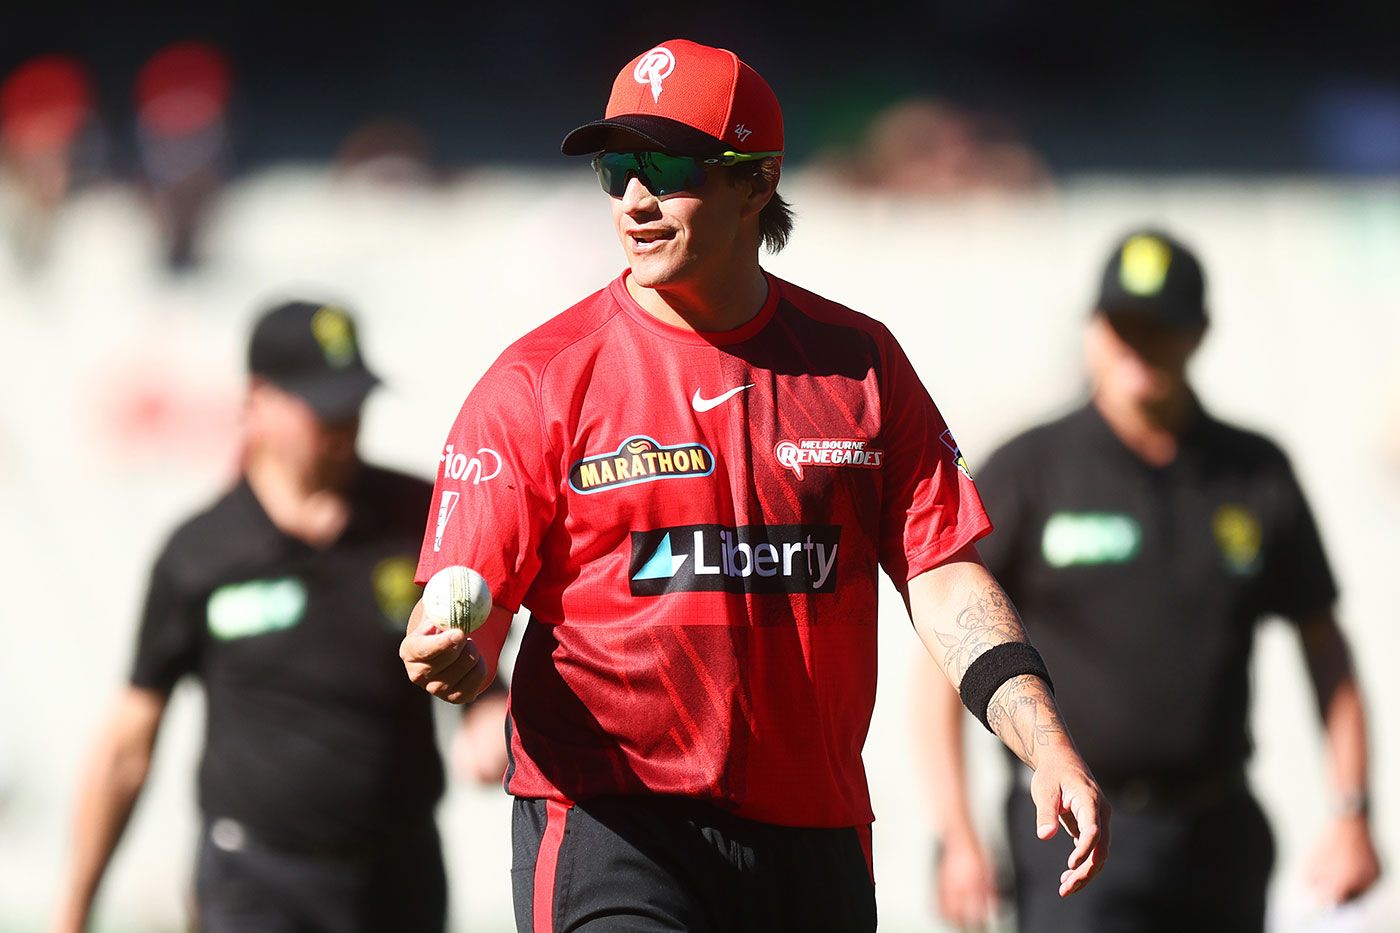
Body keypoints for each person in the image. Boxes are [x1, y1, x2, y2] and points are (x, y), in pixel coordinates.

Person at [399, 38, 1109, 933]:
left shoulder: (859, 364)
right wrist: (454, 650)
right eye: (617, 169)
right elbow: (469, 600)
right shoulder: (537, 380)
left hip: (811, 837)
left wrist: (1044, 741)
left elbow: (941, 573)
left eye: (666, 168)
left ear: (757, 181)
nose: (633, 200)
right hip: (611, 820)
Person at [922, 229, 1382, 932]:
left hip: (1217, 831)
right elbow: (946, 654)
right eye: (1122, 326)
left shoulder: (1255, 471)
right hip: (1073, 830)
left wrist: (1353, 810)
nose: (1138, 346)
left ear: (1199, 334)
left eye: (1159, 328)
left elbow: (1325, 645)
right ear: (1092, 330)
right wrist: (955, 832)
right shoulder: (1031, 470)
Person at [52, 300, 507, 933]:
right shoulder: (200, 552)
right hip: (254, 885)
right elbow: (129, 743)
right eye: (321, 404)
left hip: (398, 878)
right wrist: (73, 910)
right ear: (257, 403)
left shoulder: (419, 518)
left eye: (352, 401)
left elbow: (474, 664)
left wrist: (486, 713)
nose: (343, 423)